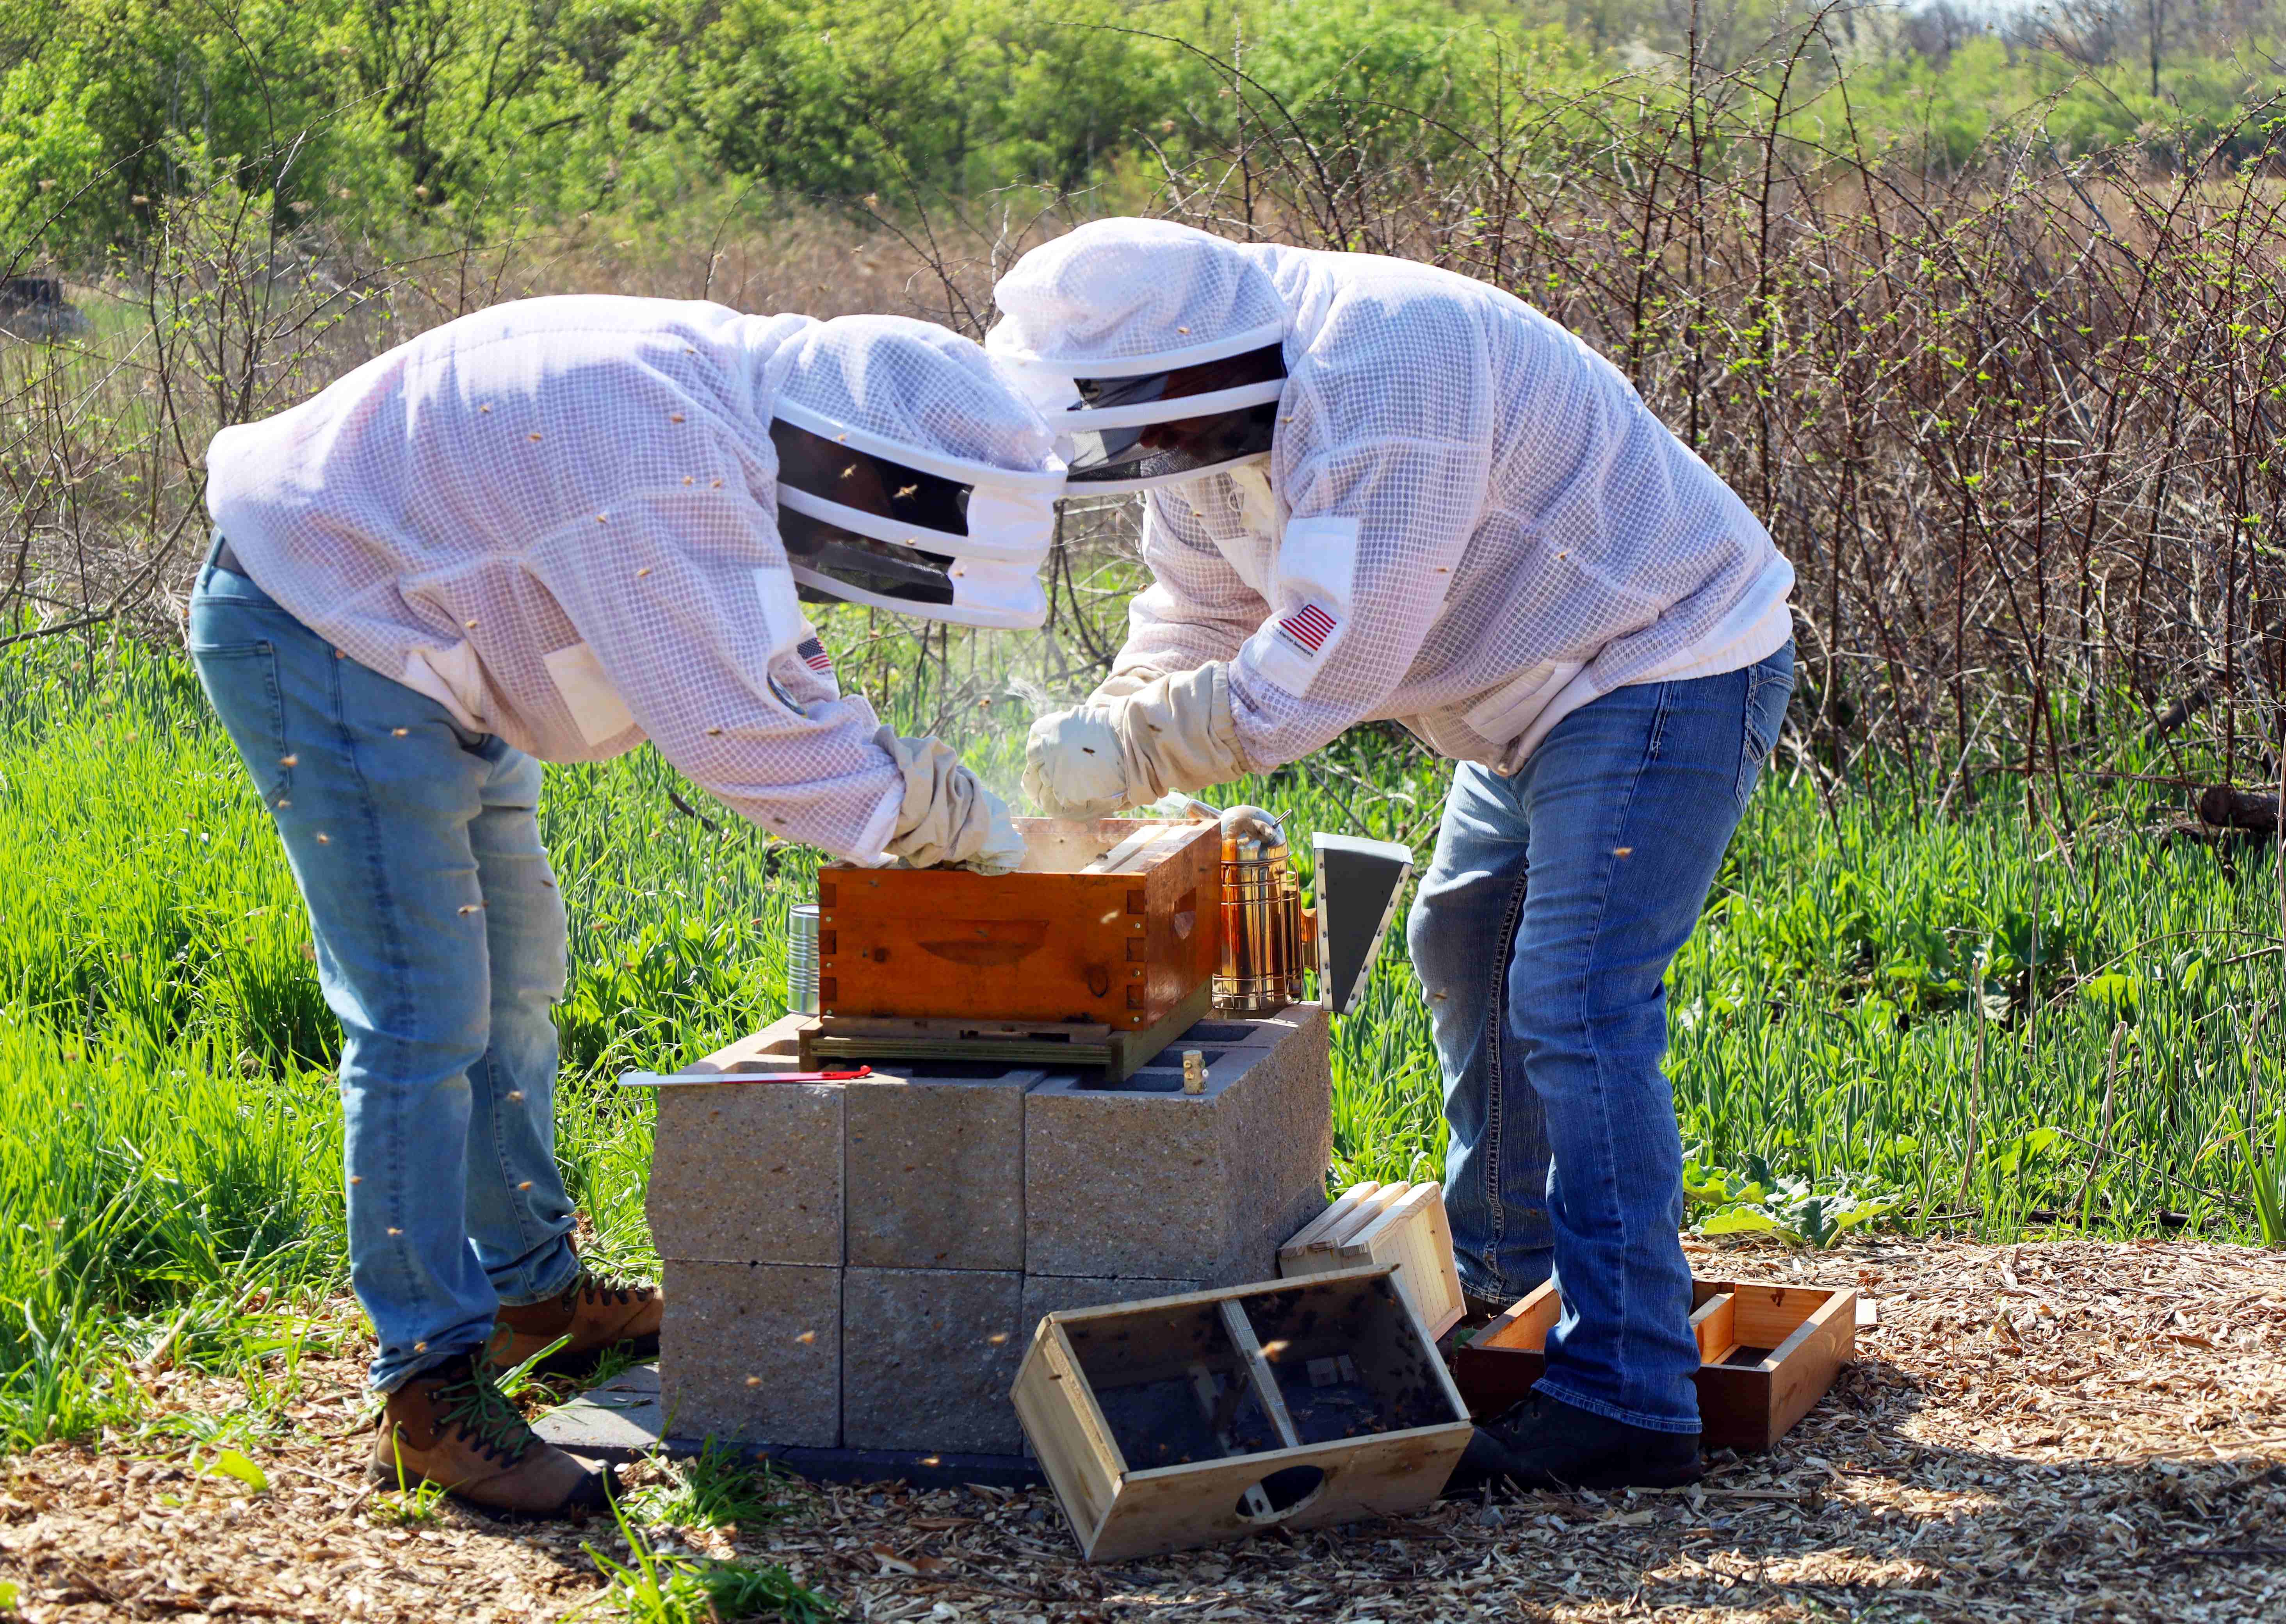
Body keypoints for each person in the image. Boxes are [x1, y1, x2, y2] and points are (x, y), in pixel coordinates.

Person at [190, 297, 1060, 1518]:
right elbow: (736, 725)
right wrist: (930, 822)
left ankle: (531, 1293)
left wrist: (909, 789)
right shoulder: (664, 459)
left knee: (517, 979)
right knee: (425, 1015)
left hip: (429, 627)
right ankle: (429, 1392)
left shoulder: (714, 409)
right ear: (849, 456)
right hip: (330, 626)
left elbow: (753, 667)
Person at [998, 219, 1795, 1492]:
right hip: (1515, 687)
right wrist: (1117, 717)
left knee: (1577, 1000)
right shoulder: (1189, 409)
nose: (1145, 452)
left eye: (1151, 421)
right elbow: (1201, 608)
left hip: (1656, 652)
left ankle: (1630, 1393)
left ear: (1207, 365)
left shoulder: (1388, 373)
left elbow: (1338, 658)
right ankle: (1513, 1274)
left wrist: (1148, 752)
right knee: (1463, 940)